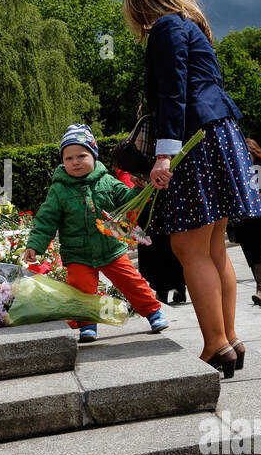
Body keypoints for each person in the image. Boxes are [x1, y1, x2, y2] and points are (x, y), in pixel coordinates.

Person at [123, 0, 261, 377]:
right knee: (215, 247)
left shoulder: (166, 28)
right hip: (221, 134)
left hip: (193, 140)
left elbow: (172, 93)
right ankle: (230, 339)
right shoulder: (192, 24)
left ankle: (215, 345)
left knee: (190, 249)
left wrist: (164, 155)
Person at [22, 123, 169, 342]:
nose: (75, 162)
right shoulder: (59, 189)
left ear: (93, 155)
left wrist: (139, 189)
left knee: (132, 282)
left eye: (81, 155)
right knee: (81, 291)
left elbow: (127, 203)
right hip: (78, 254)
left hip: (110, 249)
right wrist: (34, 244)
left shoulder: (107, 181)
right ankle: (87, 325)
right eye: (68, 158)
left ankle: (153, 312)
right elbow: (46, 219)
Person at [232, 139, 261, 306]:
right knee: (250, 254)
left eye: (246, 154)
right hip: (242, 220)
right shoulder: (237, 172)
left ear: (254, 153)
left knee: (259, 252)